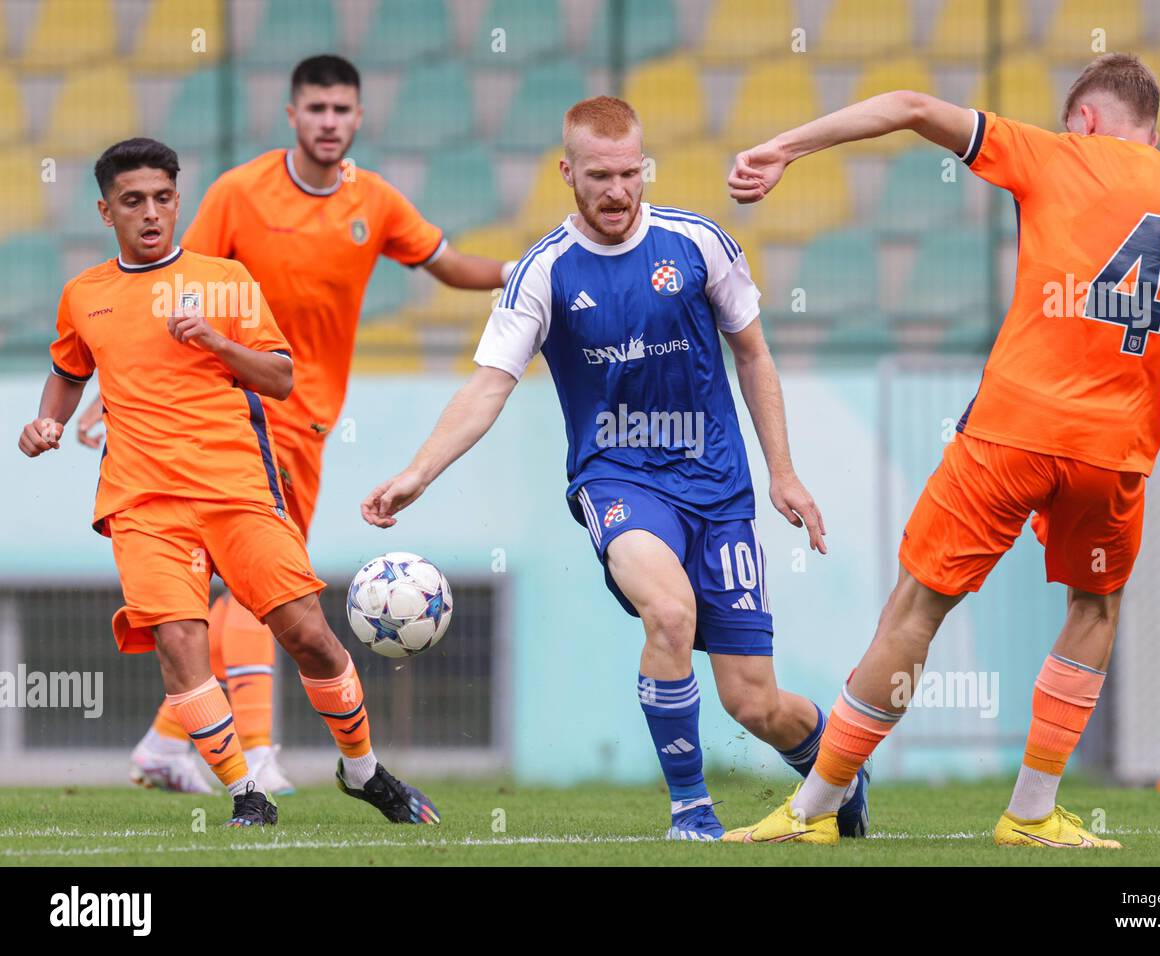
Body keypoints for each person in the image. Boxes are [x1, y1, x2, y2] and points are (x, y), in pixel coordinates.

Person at [722, 53, 1160, 846]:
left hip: (1010, 432)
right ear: (1154, 133)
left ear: (1085, 120)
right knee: (1094, 608)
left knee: (918, 607)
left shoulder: (1053, 154)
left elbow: (910, 103)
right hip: (1113, 453)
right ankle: (1031, 811)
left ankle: (814, 809)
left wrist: (787, 146)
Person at [360, 96, 870, 841]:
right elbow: (489, 384)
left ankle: (840, 775)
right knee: (668, 613)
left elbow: (753, 354)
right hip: (617, 479)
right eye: (600, 175)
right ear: (567, 171)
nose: (618, 191)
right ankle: (692, 812)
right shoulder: (543, 271)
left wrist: (782, 473)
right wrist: (419, 471)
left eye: (632, 173)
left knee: (754, 703)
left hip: (719, 488)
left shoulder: (701, 244)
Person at [73, 55, 512, 796]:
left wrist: (535, 268)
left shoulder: (377, 202)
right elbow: (164, 286)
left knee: (240, 594)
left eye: (342, 110)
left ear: (360, 118)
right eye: (317, 110)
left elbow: (450, 264)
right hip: (237, 417)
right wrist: (101, 394)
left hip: (306, 418)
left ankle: (160, 744)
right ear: (292, 116)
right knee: (262, 596)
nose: (330, 123)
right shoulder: (240, 192)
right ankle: (258, 750)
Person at [19, 137, 440, 827]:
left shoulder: (226, 282)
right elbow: (69, 373)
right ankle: (248, 792)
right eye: (133, 202)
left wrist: (215, 341)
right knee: (179, 642)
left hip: (236, 489)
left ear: (179, 201)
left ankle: (363, 771)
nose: (150, 213)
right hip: (142, 502)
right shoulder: (84, 294)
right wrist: (46, 424)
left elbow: (279, 377)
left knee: (306, 632)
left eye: (162, 198)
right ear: (106, 212)